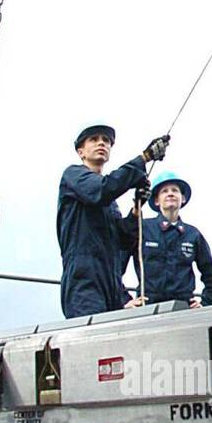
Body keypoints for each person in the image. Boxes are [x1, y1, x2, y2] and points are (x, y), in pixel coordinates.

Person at [58, 124, 169, 318]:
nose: (102, 143)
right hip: (84, 280)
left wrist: (136, 208)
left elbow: (122, 240)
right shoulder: (73, 176)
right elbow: (102, 190)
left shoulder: (110, 203)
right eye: (94, 139)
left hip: (111, 282)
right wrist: (144, 159)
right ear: (81, 151)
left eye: (106, 140)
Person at [121, 171, 212, 308]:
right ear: (156, 200)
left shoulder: (193, 234)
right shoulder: (141, 229)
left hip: (183, 309)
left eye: (175, 190)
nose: (170, 194)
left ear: (183, 199)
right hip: (148, 308)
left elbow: (211, 275)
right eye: (164, 191)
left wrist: (205, 303)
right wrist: (125, 300)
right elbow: (115, 269)